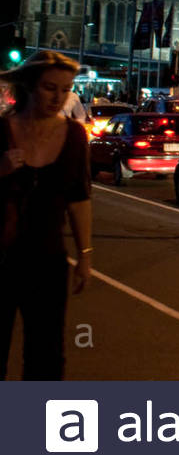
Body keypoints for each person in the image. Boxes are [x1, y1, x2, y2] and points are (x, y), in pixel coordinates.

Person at [0, 50, 93, 380]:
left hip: (47, 259)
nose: (58, 97)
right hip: (2, 258)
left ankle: (35, 427)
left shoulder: (74, 136)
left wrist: (84, 256)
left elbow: (79, 199)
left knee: (46, 354)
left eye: (65, 89)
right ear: (29, 86)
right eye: (49, 87)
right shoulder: (2, 130)